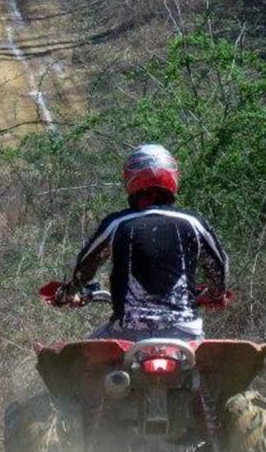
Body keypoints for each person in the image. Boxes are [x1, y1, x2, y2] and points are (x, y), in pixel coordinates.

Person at [54, 144, 229, 340]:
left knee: (80, 354)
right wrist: (216, 294)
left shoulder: (117, 224)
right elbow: (219, 267)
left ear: (130, 178)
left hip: (127, 332)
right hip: (185, 332)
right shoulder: (193, 222)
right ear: (172, 176)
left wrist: (65, 295)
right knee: (209, 358)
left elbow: (83, 268)